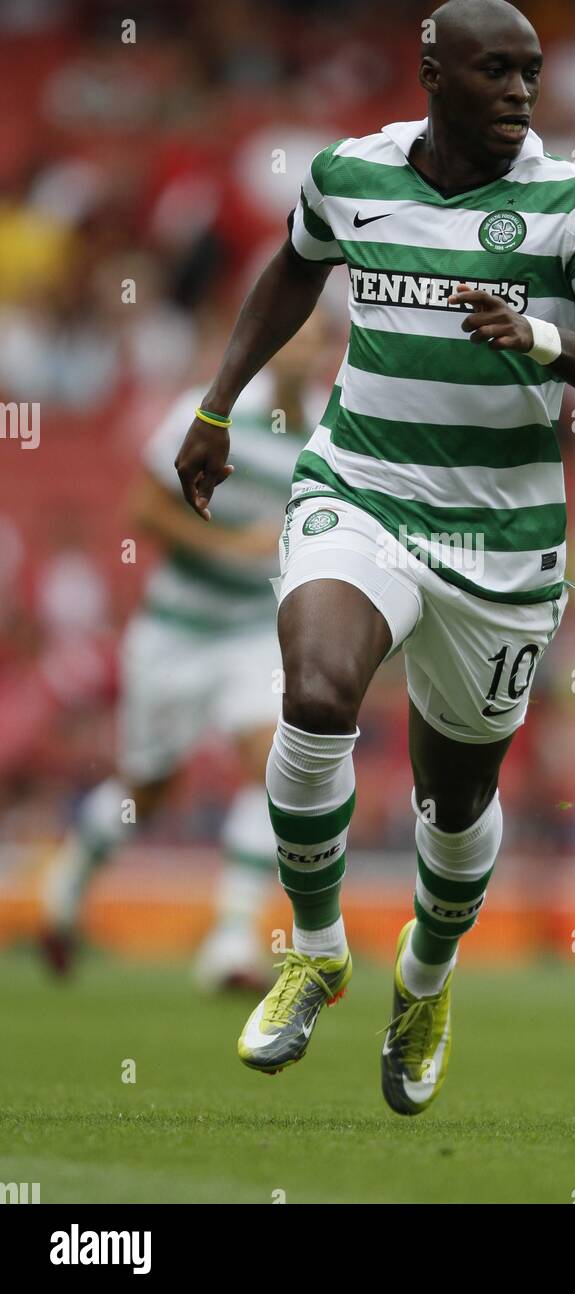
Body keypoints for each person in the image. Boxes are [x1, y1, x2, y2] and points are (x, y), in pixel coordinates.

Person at [174, 0, 575, 1113]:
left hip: (498, 538)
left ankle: (425, 975)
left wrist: (538, 335)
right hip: (361, 487)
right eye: (493, 71)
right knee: (313, 689)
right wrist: (215, 408)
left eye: (530, 73)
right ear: (430, 75)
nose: (517, 92)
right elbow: (295, 266)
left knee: (456, 798)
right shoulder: (349, 173)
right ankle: (313, 948)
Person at [41, 318, 326, 989]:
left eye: (317, 338)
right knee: (151, 789)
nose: (305, 347)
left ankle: (231, 941)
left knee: (275, 765)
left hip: (254, 630)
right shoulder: (211, 410)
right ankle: (67, 885)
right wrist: (228, 545)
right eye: (296, 334)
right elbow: (143, 510)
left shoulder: (323, 432)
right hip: (177, 628)